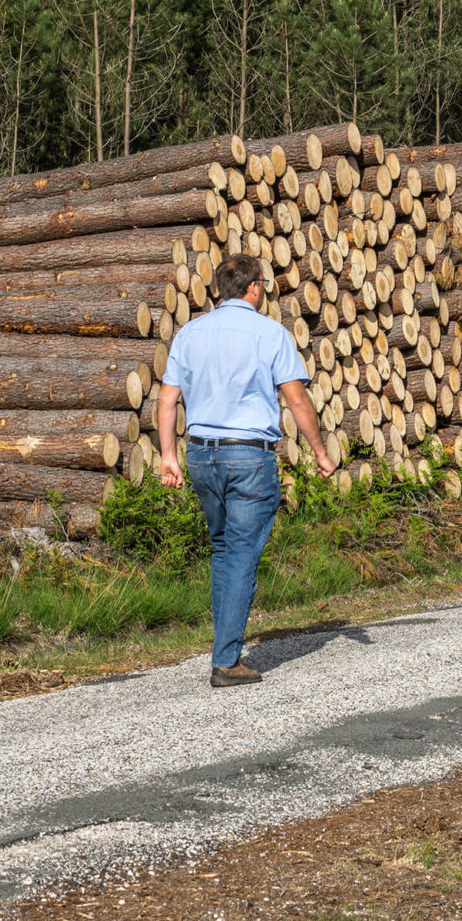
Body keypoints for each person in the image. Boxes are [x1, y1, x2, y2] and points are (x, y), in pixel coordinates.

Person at [157, 253, 337, 687]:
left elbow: (167, 399)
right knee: (241, 553)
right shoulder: (270, 333)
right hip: (248, 457)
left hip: (201, 454)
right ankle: (225, 661)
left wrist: (167, 456)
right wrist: (320, 450)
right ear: (254, 288)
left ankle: (225, 645)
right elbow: (296, 399)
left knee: (222, 549)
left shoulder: (190, 333)